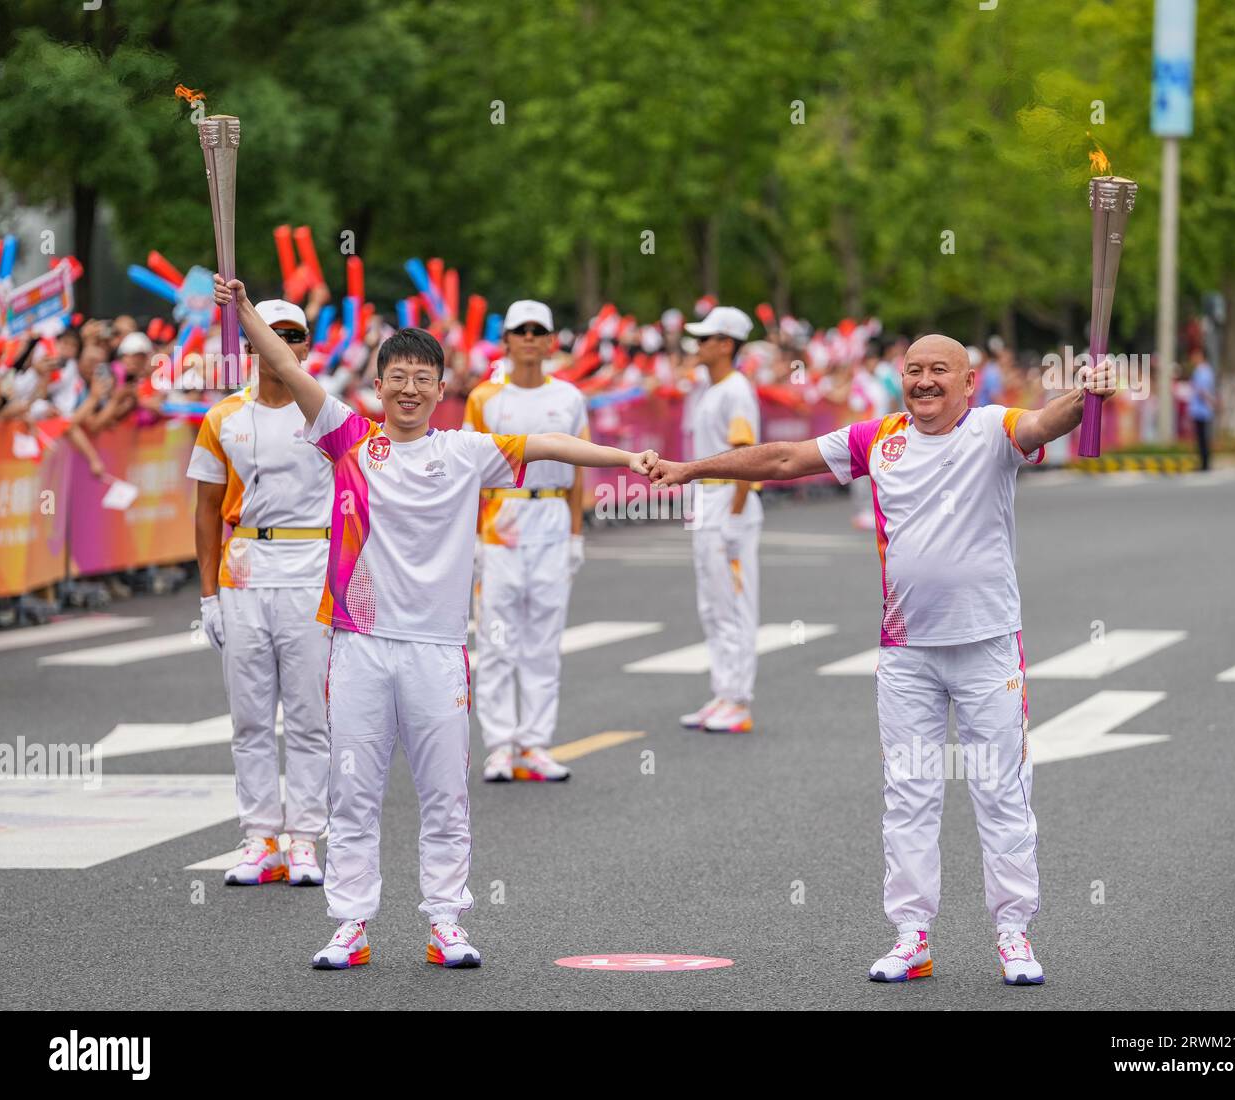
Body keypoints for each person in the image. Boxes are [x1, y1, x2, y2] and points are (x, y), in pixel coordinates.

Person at [213, 275, 656, 972]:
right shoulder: (348, 440)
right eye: (398, 377)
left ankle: (445, 921)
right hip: (359, 646)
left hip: (437, 650)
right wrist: (240, 309)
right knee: (353, 793)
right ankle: (349, 925)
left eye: (423, 378)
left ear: (443, 388)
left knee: (444, 795)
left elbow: (552, 444)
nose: (410, 390)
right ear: (379, 383)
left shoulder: (466, 451)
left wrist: (627, 460)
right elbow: (289, 368)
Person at [649, 333, 1118, 987]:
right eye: (914, 371)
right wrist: (693, 469)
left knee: (1001, 793)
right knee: (909, 796)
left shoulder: (993, 431)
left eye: (939, 371)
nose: (924, 381)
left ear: (968, 380)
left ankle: (1013, 932)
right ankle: (911, 935)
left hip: (987, 648)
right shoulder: (878, 438)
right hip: (907, 655)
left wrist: (1084, 395)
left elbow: (1048, 421)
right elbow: (785, 459)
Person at [187, 299, 333, 888]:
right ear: (250, 344)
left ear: (306, 345)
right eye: (270, 335)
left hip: (310, 568)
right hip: (244, 570)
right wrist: (207, 596)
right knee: (250, 716)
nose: (283, 344)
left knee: (307, 715)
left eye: (294, 335)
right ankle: (259, 838)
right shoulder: (224, 417)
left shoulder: (325, 414)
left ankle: (303, 839)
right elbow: (203, 511)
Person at [463, 300, 588, 782]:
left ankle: (535, 743)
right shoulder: (486, 398)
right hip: (501, 519)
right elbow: (468, 470)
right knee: (497, 638)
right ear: (507, 340)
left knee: (543, 638)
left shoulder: (570, 398)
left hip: (553, 515)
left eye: (539, 330)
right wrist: (472, 536)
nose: (530, 338)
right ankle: (500, 745)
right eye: (521, 330)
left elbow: (579, 469)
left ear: (552, 340)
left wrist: (577, 534)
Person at [678, 305, 762, 734]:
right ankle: (723, 691)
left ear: (726, 344)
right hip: (708, 500)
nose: (699, 346)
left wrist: (733, 514)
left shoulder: (736, 390)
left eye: (706, 339)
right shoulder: (711, 389)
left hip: (730, 501)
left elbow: (745, 457)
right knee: (712, 604)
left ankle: (739, 700)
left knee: (734, 604)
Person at [1188, 353, 1216, 471]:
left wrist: (1212, 402)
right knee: (1202, 439)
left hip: (1202, 410)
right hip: (1201, 410)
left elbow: (1202, 391)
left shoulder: (1203, 372)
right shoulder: (1203, 371)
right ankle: (1204, 463)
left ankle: (1205, 464)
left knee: (1203, 439)